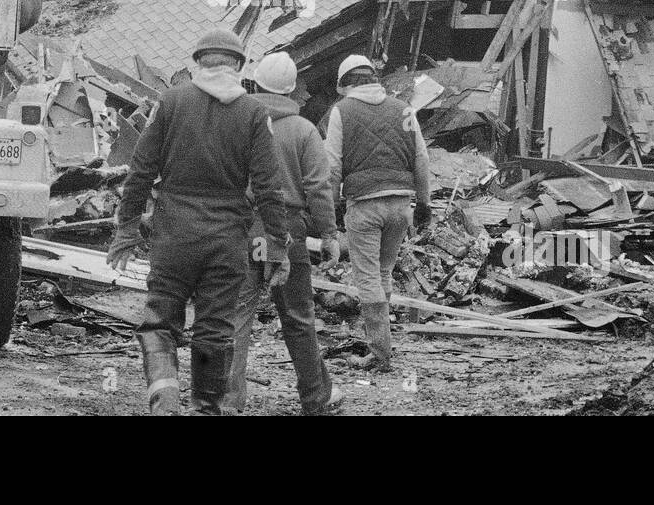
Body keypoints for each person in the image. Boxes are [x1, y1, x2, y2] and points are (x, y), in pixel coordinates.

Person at [107, 29, 291, 415]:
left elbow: (140, 172)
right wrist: (277, 244)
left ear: (197, 62)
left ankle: (165, 398)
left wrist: (126, 229)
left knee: (160, 322)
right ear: (239, 66)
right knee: (215, 329)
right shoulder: (254, 113)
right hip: (226, 240)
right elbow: (269, 188)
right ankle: (205, 409)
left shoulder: (171, 101)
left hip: (173, 235)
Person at [223, 52, 344, 415]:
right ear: (292, 90)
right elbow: (319, 189)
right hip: (287, 233)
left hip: (240, 229)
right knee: (298, 320)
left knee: (234, 319)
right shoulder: (304, 130)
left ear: (255, 83)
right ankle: (316, 398)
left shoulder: (234, 124)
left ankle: (227, 402)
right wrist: (329, 235)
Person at [324, 54, 431, 371]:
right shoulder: (404, 109)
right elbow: (421, 159)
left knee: (368, 277)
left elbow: (332, 167)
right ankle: (381, 342)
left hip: (365, 206)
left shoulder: (341, 111)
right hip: (401, 206)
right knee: (383, 273)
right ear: (374, 79)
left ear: (344, 85)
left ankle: (381, 353)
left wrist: (329, 210)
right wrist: (424, 204)